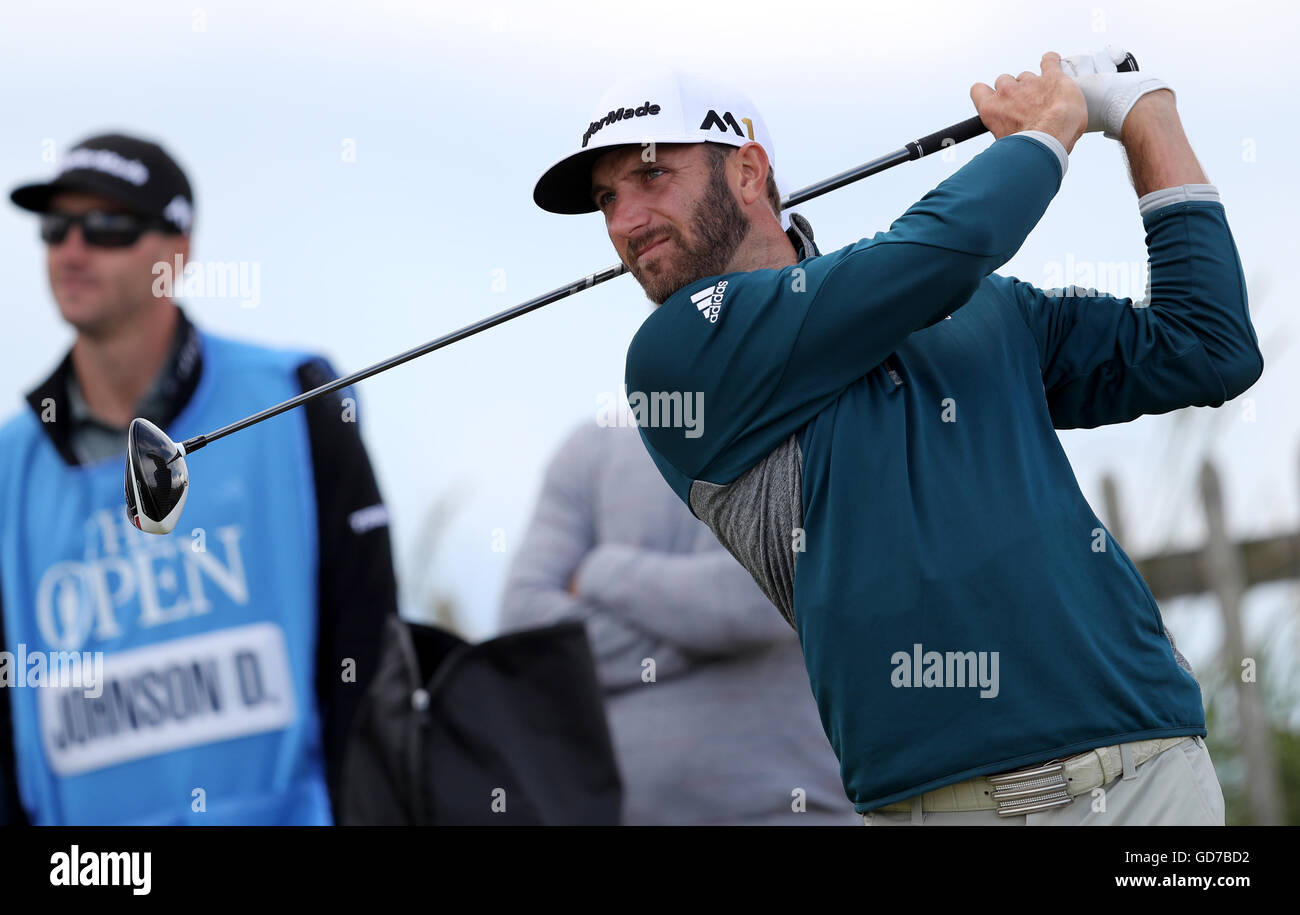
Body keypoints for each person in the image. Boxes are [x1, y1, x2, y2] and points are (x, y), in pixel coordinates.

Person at [530, 55, 1261, 824]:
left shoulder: (976, 305)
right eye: (608, 199)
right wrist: (1048, 130)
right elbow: (935, 254)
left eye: (650, 178)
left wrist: (1141, 111)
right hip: (942, 809)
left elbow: (1207, 345)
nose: (624, 222)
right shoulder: (677, 360)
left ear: (748, 172)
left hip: (1153, 775)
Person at [0, 133, 397, 825]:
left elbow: (368, 653)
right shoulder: (10, 462)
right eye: (56, 227)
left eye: (108, 226)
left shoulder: (297, 399)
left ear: (177, 252)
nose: (72, 249)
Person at [499, 419, 858, 825]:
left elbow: (766, 599)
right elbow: (526, 628)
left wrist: (604, 570)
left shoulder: (804, 430)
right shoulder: (589, 449)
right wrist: (704, 632)